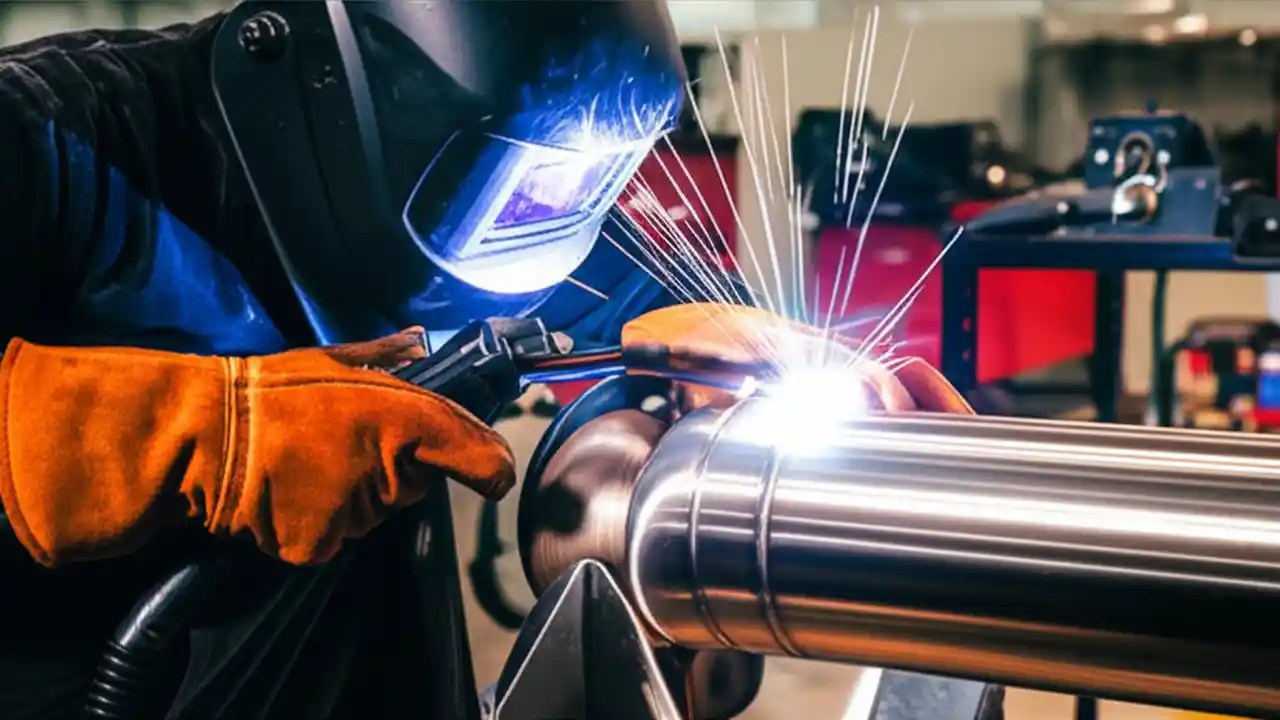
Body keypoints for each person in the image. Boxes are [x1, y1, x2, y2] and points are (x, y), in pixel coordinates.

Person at [0, 2, 969, 717]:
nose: (549, 212)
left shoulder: (525, 161)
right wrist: (173, 434)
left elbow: (634, 334)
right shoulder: (54, 138)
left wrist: (678, 423)